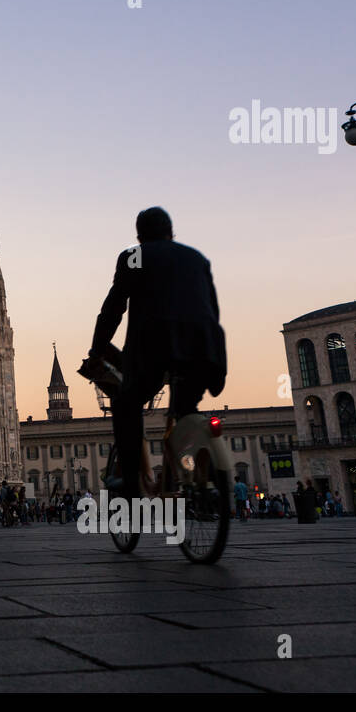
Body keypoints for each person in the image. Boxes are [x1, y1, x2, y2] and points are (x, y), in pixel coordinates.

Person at [89, 207, 227, 502]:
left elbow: (114, 307)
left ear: (139, 236)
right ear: (172, 232)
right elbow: (212, 312)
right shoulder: (196, 258)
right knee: (186, 409)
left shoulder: (133, 257)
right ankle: (201, 473)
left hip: (154, 351)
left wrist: (98, 347)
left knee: (127, 404)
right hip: (205, 351)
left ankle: (129, 482)